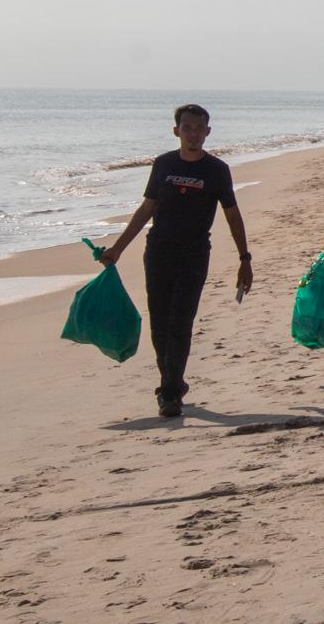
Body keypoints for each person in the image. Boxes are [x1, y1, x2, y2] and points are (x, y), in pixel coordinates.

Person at [100, 104, 251, 418]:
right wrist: (117, 248)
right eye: (187, 128)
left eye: (199, 129)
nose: (193, 134)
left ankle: (169, 394)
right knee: (159, 325)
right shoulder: (163, 164)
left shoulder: (217, 170)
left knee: (180, 323)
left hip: (194, 255)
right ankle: (173, 381)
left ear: (208, 132)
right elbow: (147, 209)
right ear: (176, 131)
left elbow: (233, 215)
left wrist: (244, 258)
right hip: (158, 252)